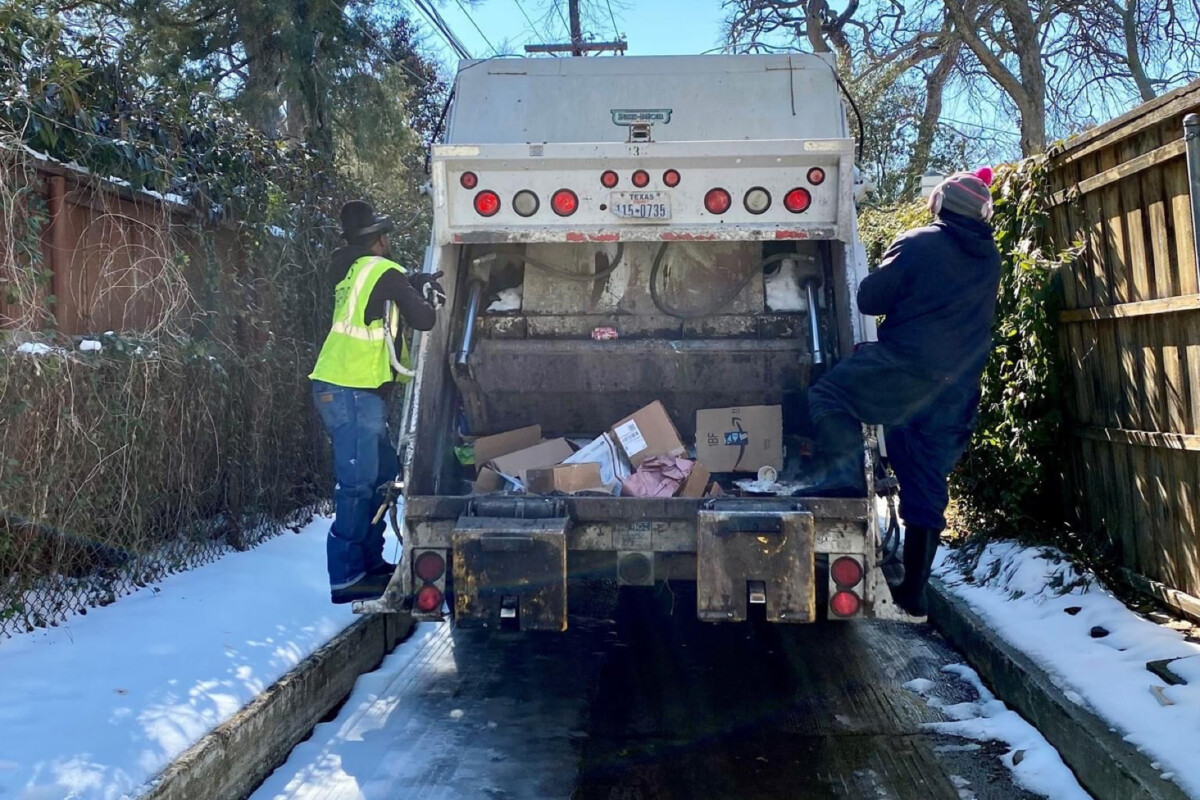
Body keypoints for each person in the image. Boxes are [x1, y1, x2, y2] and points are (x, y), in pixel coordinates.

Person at [807, 168, 1002, 616]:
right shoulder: (989, 257)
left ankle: (844, 479)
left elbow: (870, 300)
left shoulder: (918, 243)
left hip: (902, 371)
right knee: (926, 484)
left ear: (940, 204)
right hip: (956, 390)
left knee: (828, 395)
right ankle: (914, 589)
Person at [310, 200, 445, 604]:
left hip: (350, 391)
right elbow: (424, 319)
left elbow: (393, 282)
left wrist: (413, 279)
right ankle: (348, 575)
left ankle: (371, 564)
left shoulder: (349, 267)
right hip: (349, 390)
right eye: (385, 237)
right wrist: (428, 294)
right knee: (356, 485)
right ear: (379, 240)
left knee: (383, 475)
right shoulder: (381, 270)